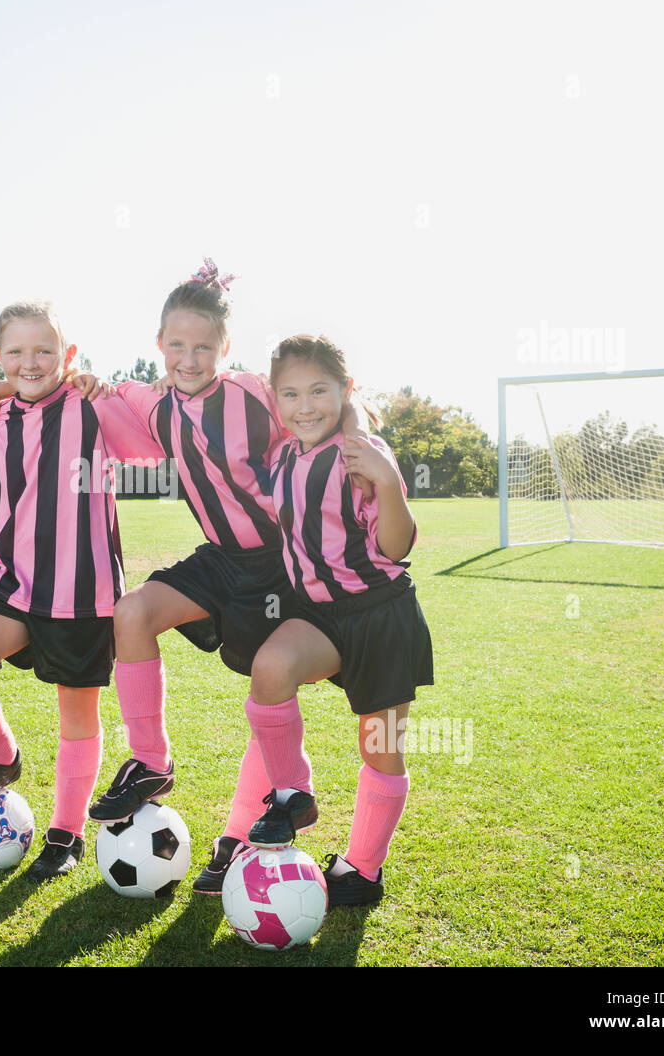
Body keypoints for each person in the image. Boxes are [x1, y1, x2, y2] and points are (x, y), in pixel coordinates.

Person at [84, 259, 371, 895]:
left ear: (225, 348)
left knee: (265, 697)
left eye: (204, 346)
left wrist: (357, 429)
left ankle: (240, 835)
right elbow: (104, 391)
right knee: (132, 613)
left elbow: (323, 403)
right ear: (159, 345)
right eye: (177, 345)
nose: (190, 358)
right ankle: (150, 764)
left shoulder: (253, 392)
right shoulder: (153, 403)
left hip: (281, 562)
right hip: (218, 557)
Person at [0, 299, 158, 881]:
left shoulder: (90, 405)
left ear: (69, 354)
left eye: (44, 351)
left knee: (77, 717)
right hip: (8, 580)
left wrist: (107, 393)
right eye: (15, 351)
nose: (29, 362)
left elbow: (151, 457)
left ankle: (66, 834)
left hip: (81, 589)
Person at [242, 333, 432, 907]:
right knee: (270, 668)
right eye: (291, 394)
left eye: (319, 391)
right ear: (276, 400)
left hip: (382, 613)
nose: (305, 406)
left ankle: (363, 869)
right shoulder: (282, 455)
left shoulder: (362, 452)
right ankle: (292, 793)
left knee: (379, 742)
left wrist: (390, 482)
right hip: (319, 613)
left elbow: (397, 547)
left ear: (344, 389)